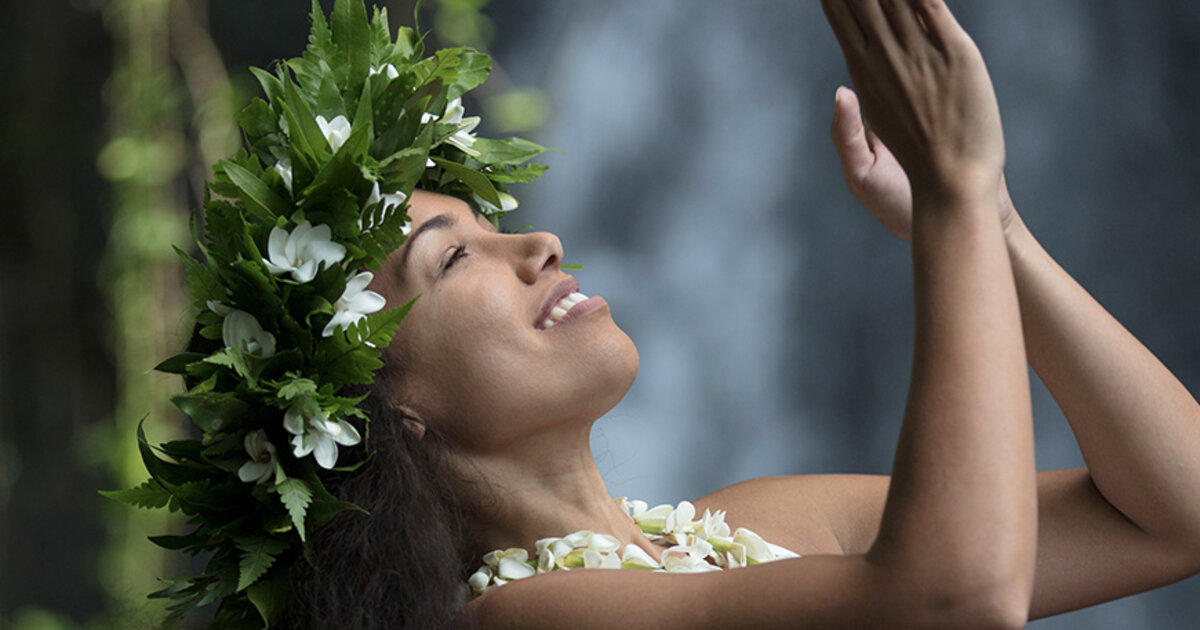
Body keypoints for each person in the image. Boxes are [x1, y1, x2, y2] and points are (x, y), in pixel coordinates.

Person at [122, 1, 1199, 628]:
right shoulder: (524, 619)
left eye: (495, 227)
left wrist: (993, 227)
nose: (537, 244)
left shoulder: (768, 525)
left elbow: (1175, 514)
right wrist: (958, 189)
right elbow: (954, 600)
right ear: (389, 411)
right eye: (452, 261)